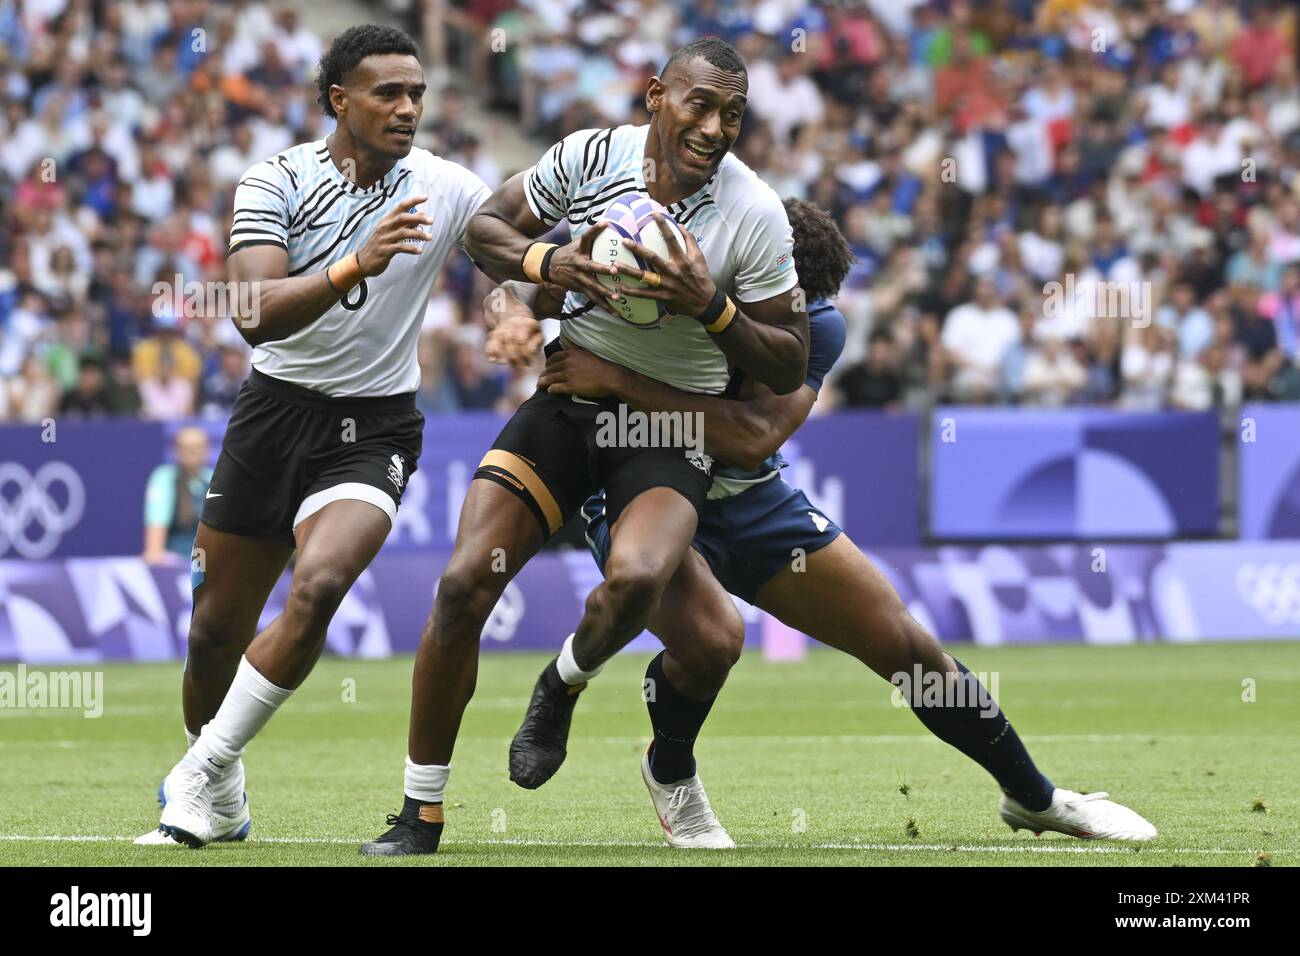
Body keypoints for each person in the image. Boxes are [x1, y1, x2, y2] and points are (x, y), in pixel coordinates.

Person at [519, 199, 1158, 846]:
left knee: (908, 651)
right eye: (778, 295)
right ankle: (671, 770)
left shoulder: (818, 324)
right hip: (642, 494)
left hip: (749, 499)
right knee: (712, 641)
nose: (789, 313)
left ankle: (1035, 797)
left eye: (798, 301)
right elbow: (533, 289)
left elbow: (754, 436)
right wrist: (524, 309)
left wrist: (620, 380)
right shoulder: (664, 270)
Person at [360, 36, 809, 856]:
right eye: (699, 104)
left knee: (637, 579)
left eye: (732, 114)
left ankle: (562, 683)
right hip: (568, 408)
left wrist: (709, 305)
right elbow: (484, 228)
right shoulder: (588, 157)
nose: (714, 127)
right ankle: (417, 815)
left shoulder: (755, 213)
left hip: (668, 431)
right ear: (654, 98)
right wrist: (549, 264)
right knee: (463, 584)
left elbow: (790, 355)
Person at [136, 24, 493, 848]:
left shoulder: (447, 187)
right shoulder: (277, 178)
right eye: (388, 93)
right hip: (273, 411)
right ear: (340, 100)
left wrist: (520, 305)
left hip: (374, 425)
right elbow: (252, 314)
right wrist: (354, 265)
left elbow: (510, 248)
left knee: (321, 582)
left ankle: (195, 774)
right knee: (213, 630)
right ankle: (222, 794)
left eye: (417, 95)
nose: (408, 109)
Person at [143, 425, 213, 565]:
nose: (192, 451)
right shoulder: (164, 478)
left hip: (210, 564)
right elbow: (154, 548)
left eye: (197, 446)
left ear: (207, 450)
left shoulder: (215, 480)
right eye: (185, 447)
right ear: (176, 451)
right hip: (175, 563)